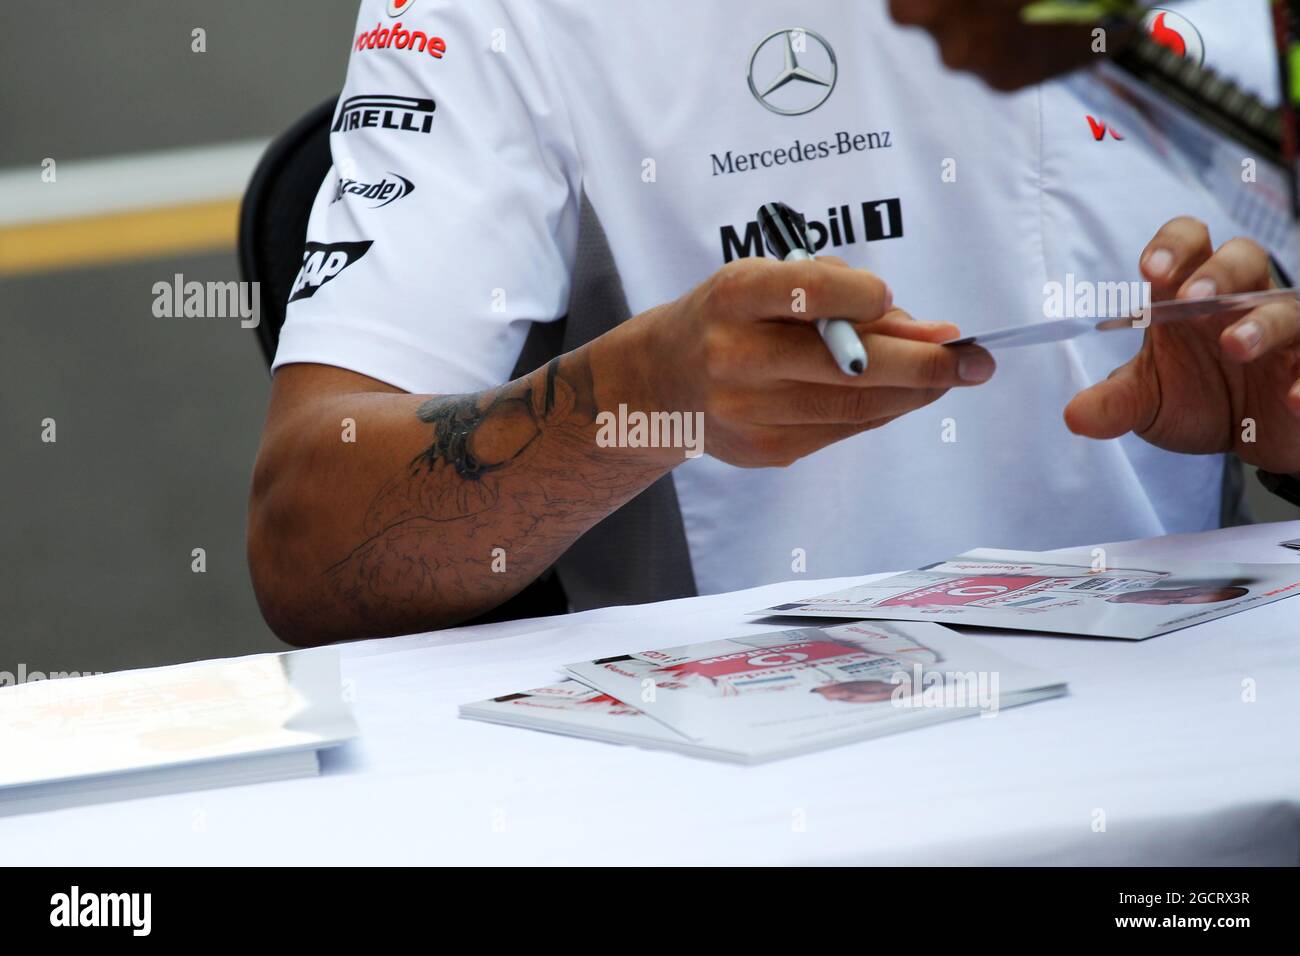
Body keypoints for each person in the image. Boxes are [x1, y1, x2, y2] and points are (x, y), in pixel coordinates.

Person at [249, 0, 1300, 645]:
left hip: (1199, 755)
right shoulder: (513, 13)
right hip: (767, 801)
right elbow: (310, 541)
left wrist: (1283, 428)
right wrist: (635, 398)